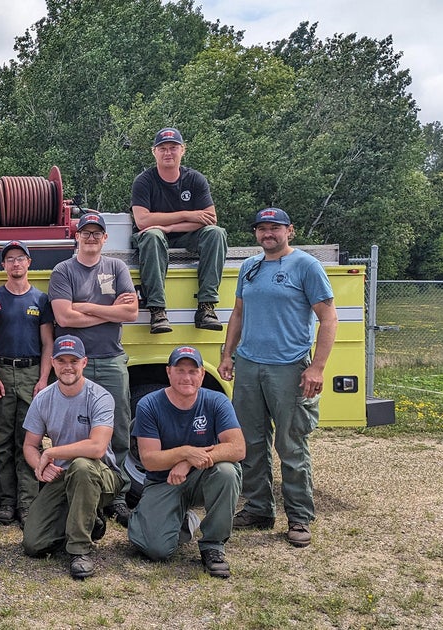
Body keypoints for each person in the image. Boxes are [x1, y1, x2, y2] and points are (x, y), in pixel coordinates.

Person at [219, 208, 336, 549]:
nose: (267, 234)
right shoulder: (249, 267)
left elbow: (328, 319)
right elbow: (238, 313)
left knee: (290, 444)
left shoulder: (306, 266)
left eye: (274, 228)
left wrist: (317, 367)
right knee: (250, 444)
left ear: (290, 231)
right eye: (262, 229)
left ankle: (299, 517)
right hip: (250, 366)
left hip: (289, 367)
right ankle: (259, 509)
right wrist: (228, 354)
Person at [47, 213, 139, 526]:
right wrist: (110, 312)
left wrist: (85, 306)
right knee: (76, 430)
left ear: (105, 238)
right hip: (73, 366)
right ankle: (82, 491)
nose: (90, 238)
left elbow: (131, 311)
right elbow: (64, 318)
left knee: (118, 429)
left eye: (96, 233)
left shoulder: (117, 268)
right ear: (76, 237)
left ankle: (118, 496)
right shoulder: (63, 271)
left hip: (111, 359)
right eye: (85, 232)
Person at [129, 346, 245, 578]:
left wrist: (189, 461)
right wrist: (185, 452)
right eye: (180, 370)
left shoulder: (217, 401)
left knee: (227, 472)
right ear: (168, 372)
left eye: (193, 371)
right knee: (155, 549)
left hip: (202, 477)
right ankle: (180, 520)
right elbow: (150, 461)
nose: (186, 377)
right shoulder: (149, 405)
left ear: (202, 374)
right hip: (164, 481)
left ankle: (213, 546)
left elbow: (237, 448)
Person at [20, 336, 121, 579]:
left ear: (84, 362)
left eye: (74, 361)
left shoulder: (100, 397)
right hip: (63, 476)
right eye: (62, 361)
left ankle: (80, 550)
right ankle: (88, 519)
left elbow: (97, 448)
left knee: (82, 466)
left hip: (101, 475)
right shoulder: (43, 398)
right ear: (52, 363)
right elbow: (30, 446)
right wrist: (39, 466)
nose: (68, 367)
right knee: (34, 544)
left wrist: (52, 453)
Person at [130, 127, 228, 334]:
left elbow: (210, 218)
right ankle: (157, 310)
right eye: (162, 148)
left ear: (183, 150)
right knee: (153, 235)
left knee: (216, 233)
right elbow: (142, 220)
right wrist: (188, 214)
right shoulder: (144, 181)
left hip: (187, 235)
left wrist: (171, 226)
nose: (168, 153)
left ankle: (206, 307)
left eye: (173, 148)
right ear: (153, 152)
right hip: (153, 240)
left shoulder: (195, 179)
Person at [0, 241, 52, 526]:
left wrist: (43, 380)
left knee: (29, 442)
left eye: (20, 259)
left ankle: (27, 504)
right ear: (3, 266)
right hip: (1, 369)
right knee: (0, 443)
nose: (15, 264)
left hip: (31, 374)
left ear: (29, 263)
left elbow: (48, 343)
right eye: (10, 259)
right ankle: (6, 501)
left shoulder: (41, 300)